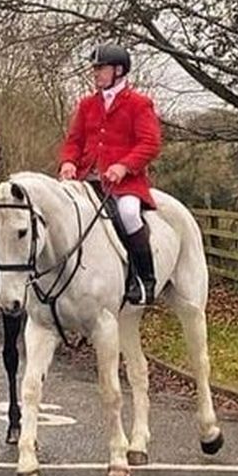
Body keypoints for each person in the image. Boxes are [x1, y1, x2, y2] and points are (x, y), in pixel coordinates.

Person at [58, 43, 162, 306]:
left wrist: (124, 166)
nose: (96, 73)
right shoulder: (87, 105)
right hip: (86, 179)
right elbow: (74, 141)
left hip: (124, 183)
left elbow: (150, 143)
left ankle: (144, 279)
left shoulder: (139, 104)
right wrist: (69, 162)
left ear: (118, 70)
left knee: (127, 214)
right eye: (95, 69)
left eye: (100, 68)